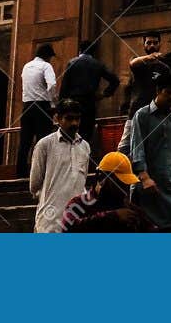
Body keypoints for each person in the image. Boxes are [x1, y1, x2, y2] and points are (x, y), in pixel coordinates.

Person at [125, 71, 171, 232]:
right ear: (158, 91)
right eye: (168, 93)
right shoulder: (142, 115)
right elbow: (137, 148)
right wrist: (144, 177)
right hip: (150, 183)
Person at [28, 99, 89, 233]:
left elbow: (82, 180)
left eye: (77, 119)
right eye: (69, 118)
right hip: (50, 221)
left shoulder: (85, 146)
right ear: (58, 119)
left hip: (77, 220)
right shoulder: (45, 145)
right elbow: (34, 185)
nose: (74, 123)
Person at [61, 151, 151, 233]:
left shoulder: (128, 210)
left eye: (127, 184)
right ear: (102, 177)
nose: (125, 188)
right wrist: (113, 216)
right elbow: (68, 227)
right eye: (120, 183)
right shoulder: (79, 204)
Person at [59, 40, 119, 149]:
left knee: (69, 136)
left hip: (72, 104)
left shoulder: (72, 63)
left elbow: (64, 87)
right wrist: (104, 94)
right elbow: (115, 80)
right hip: (89, 104)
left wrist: (60, 107)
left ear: (80, 50)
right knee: (85, 138)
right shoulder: (97, 64)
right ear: (94, 52)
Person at [16, 43, 57, 177]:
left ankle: (20, 174)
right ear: (47, 56)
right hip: (42, 106)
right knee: (43, 141)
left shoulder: (26, 66)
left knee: (25, 143)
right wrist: (53, 103)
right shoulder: (46, 66)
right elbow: (51, 85)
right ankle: (41, 174)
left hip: (27, 106)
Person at [126, 33, 170, 116]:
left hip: (156, 113)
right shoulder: (138, 62)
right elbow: (132, 63)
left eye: (155, 43)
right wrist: (149, 57)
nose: (152, 45)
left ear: (160, 44)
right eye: (149, 43)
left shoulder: (164, 68)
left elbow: (166, 91)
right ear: (144, 45)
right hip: (135, 112)